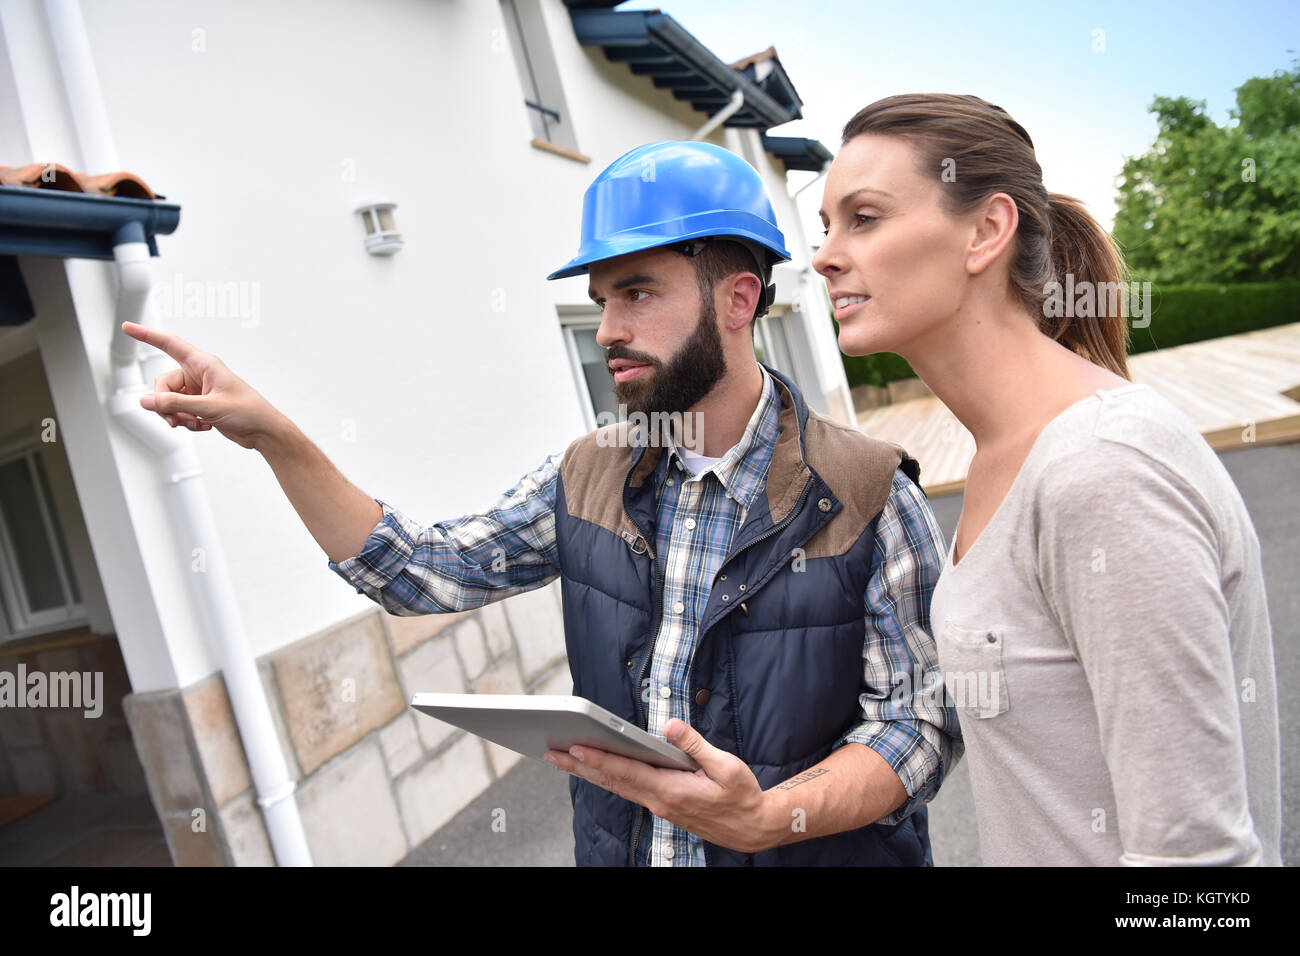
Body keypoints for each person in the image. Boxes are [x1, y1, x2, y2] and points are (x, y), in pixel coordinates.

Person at [124, 139, 960, 867]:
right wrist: (275, 435)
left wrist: (771, 819)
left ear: (738, 300)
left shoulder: (869, 491)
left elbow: (917, 729)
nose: (605, 331)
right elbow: (418, 572)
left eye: (637, 292)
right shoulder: (587, 476)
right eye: (600, 303)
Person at [813, 92, 1281, 866]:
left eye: (864, 218)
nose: (826, 255)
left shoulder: (1102, 468)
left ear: (987, 231)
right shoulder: (1007, 456)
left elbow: (1200, 872)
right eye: (823, 227)